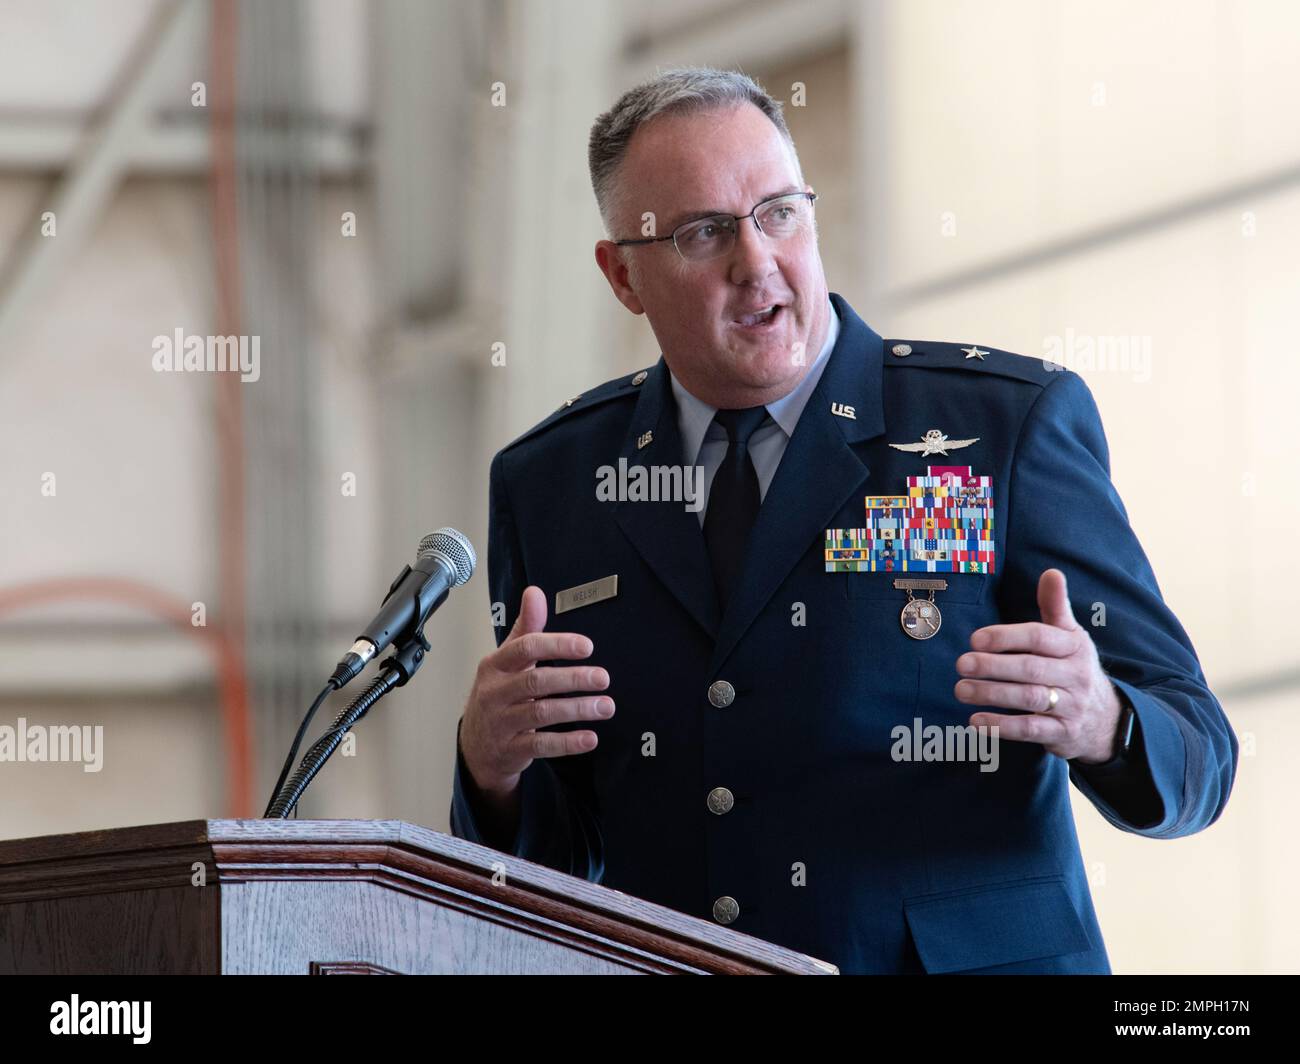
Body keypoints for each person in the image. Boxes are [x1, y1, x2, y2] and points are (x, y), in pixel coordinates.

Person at [449, 67, 1237, 974]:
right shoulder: (552, 482)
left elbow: (1202, 754)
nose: (757, 262)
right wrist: (490, 770)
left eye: (779, 211)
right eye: (704, 233)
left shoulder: (1002, 426)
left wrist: (1106, 721)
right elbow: (552, 872)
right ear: (623, 275)